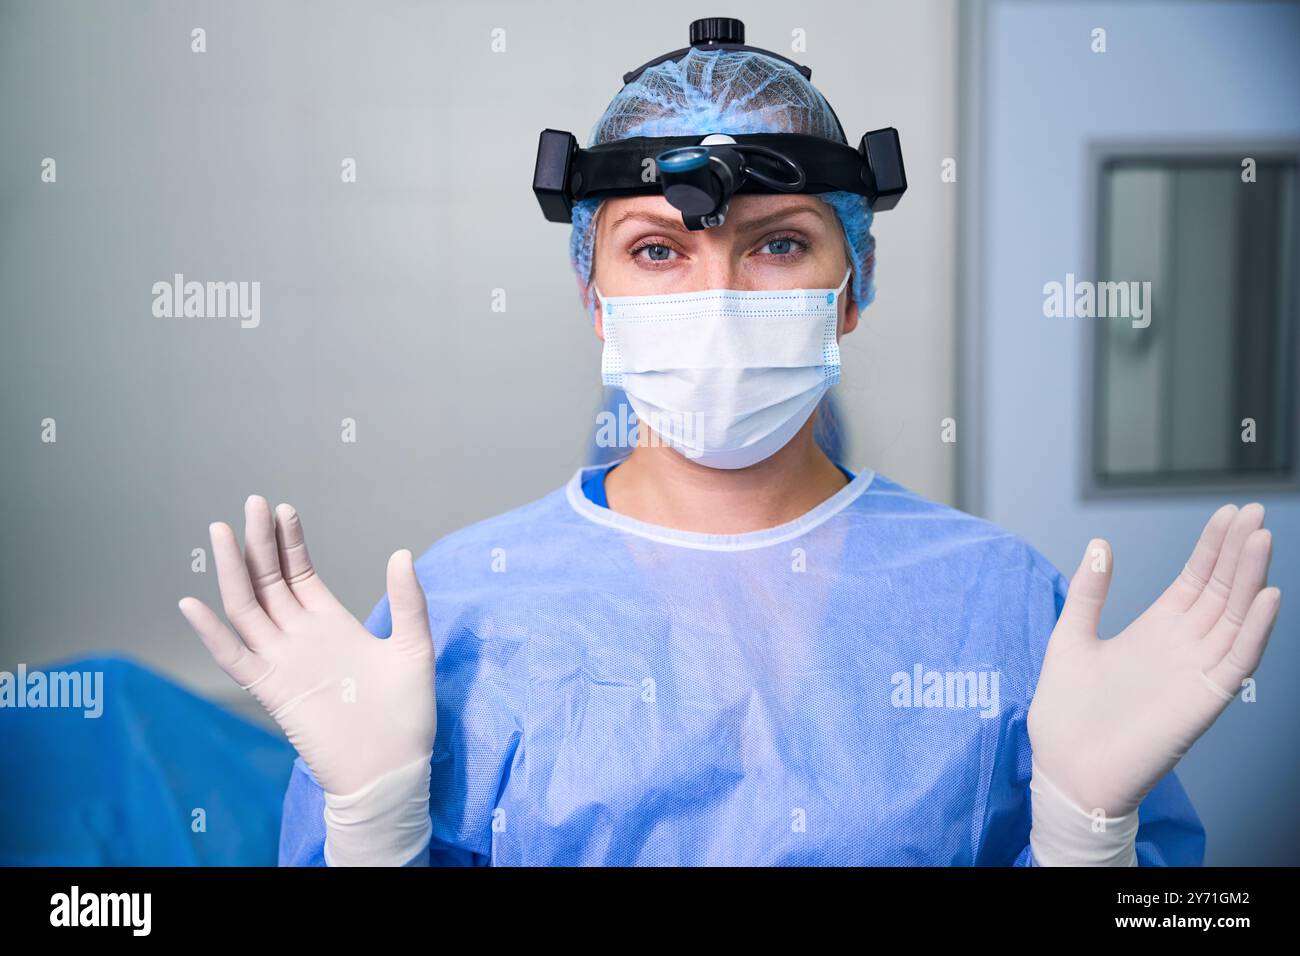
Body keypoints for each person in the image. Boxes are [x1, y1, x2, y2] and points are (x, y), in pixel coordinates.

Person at [178, 26, 1279, 867]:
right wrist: (372, 831)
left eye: (779, 244)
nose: (713, 294)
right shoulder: (462, 611)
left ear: (851, 288)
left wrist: (1089, 839)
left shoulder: (999, 605)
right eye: (656, 249)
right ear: (592, 294)